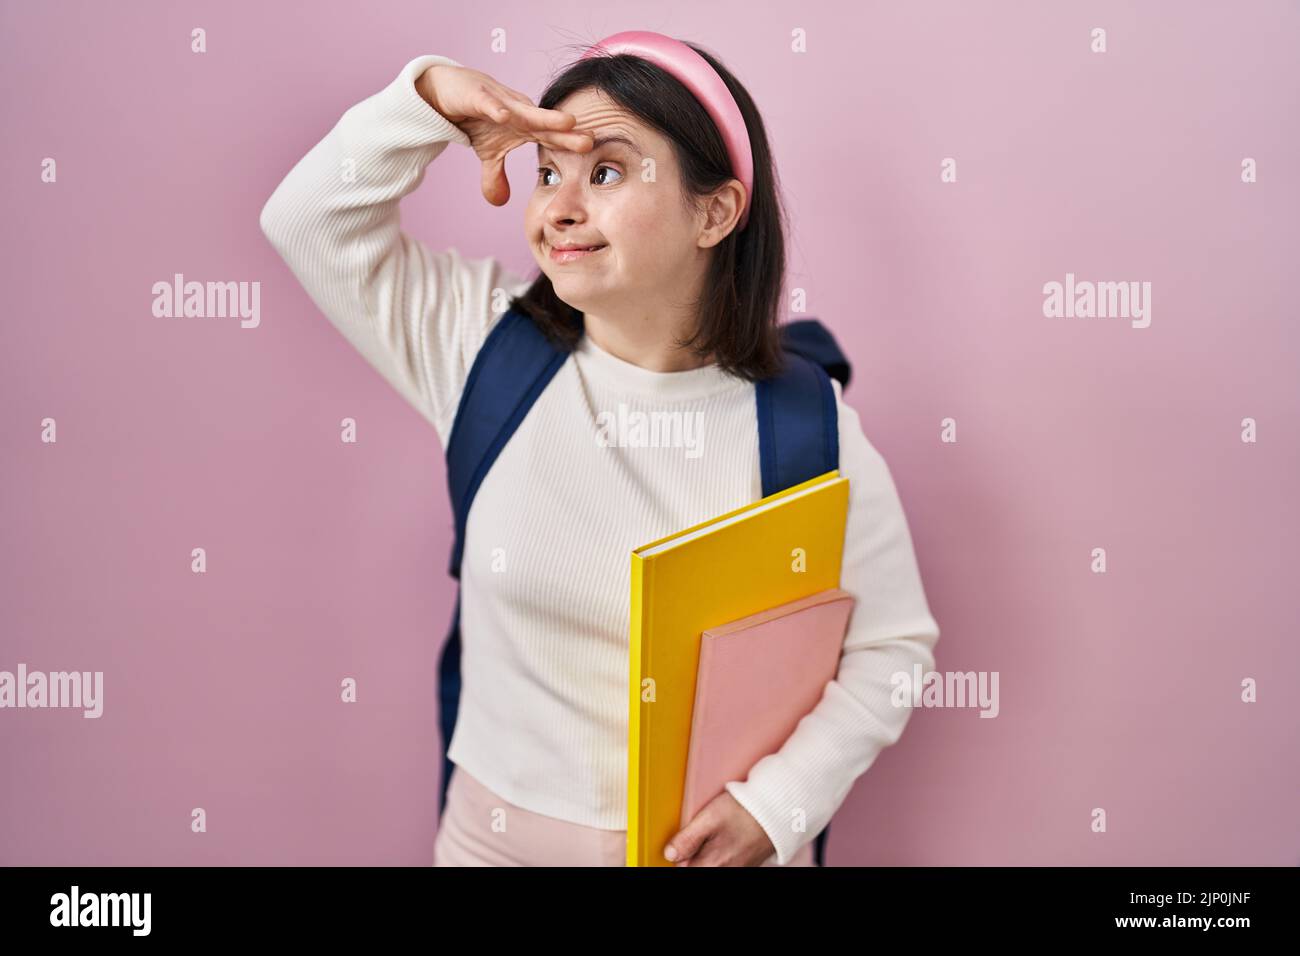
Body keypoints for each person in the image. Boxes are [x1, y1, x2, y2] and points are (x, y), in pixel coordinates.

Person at [259, 32, 941, 867]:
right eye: (548, 172)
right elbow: (305, 220)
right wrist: (429, 98)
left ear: (715, 212)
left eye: (606, 172)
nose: (559, 207)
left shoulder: (806, 429)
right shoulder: (480, 350)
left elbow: (893, 651)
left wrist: (776, 810)